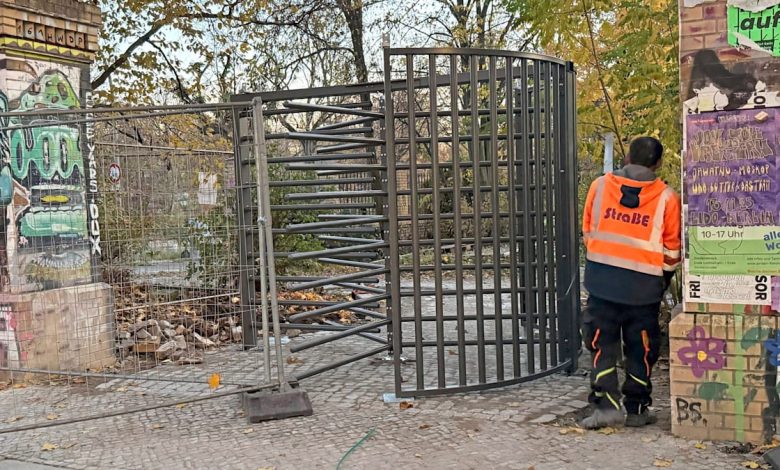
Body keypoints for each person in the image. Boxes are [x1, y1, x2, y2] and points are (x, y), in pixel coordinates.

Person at [580, 136, 681, 429]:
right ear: (658, 163)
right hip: (644, 290)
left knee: (601, 345)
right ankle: (637, 409)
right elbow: (672, 252)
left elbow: (588, 232)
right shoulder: (667, 198)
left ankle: (606, 408)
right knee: (642, 349)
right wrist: (660, 282)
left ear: (626, 158)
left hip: (602, 283)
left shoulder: (599, 187)